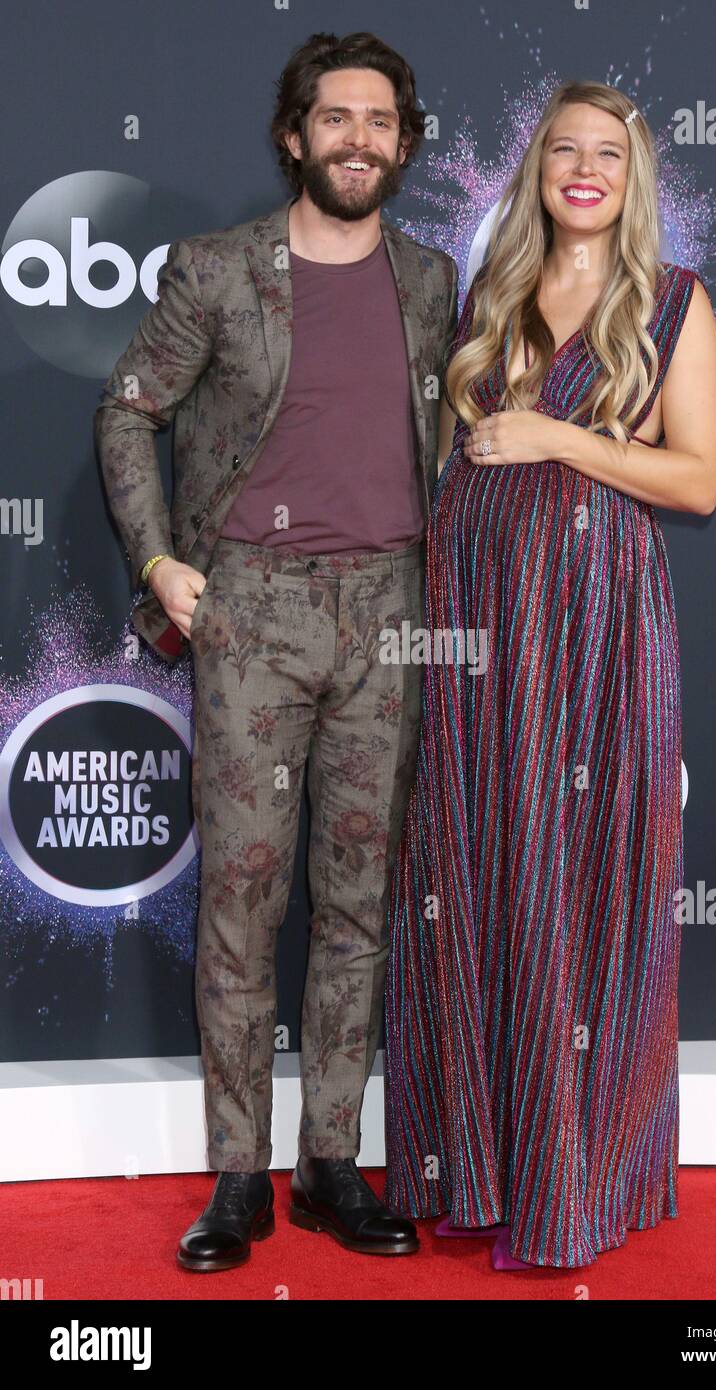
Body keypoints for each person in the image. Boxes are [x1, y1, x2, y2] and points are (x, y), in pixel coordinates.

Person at [94, 30, 457, 1270]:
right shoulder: (212, 272)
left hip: (394, 612)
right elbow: (127, 411)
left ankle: (333, 1161)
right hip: (251, 610)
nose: (356, 139)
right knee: (246, 900)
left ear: (402, 144)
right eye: (333, 118)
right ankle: (239, 1176)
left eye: (378, 121)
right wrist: (158, 563)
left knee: (358, 909)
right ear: (293, 134)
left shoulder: (430, 279)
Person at [383, 81, 716, 1269]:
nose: (584, 170)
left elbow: (695, 482)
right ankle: (476, 1164)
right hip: (473, 627)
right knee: (473, 875)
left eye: (609, 156)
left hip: (591, 630)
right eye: (563, 150)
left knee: (578, 882)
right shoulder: (484, 295)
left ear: (634, 183)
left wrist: (557, 435)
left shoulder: (671, 302)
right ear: (534, 170)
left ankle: (574, 1176)